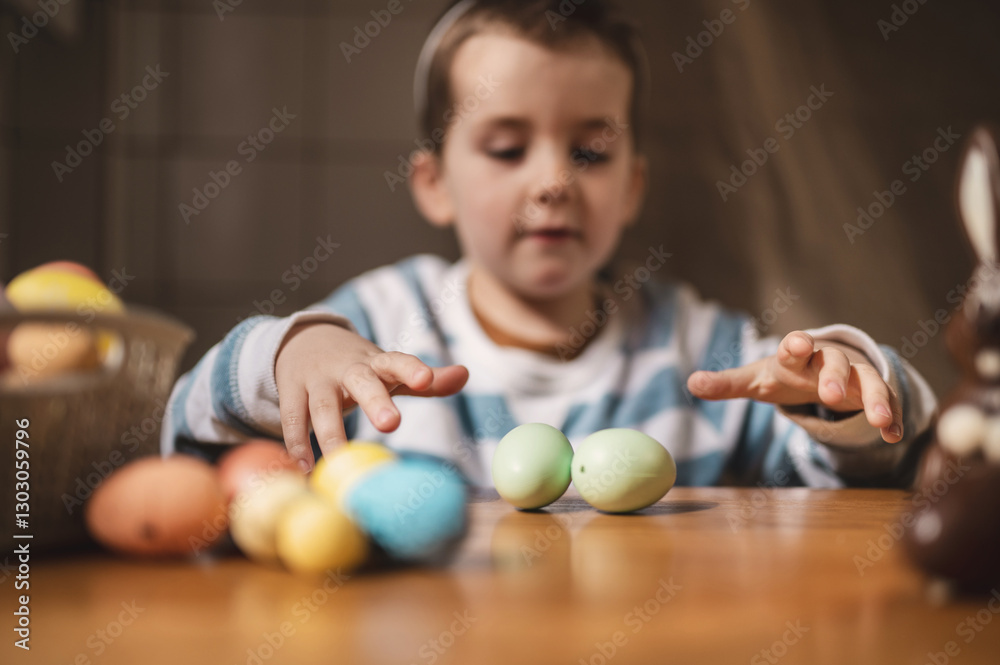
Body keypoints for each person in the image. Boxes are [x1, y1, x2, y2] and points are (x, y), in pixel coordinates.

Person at [161, 0, 936, 489]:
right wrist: (288, 352)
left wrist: (844, 395)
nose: (554, 182)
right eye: (506, 149)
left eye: (590, 153)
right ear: (434, 184)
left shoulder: (701, 349)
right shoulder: (378, 324)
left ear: (632, 186)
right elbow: (186, 438)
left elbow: (858, 475)